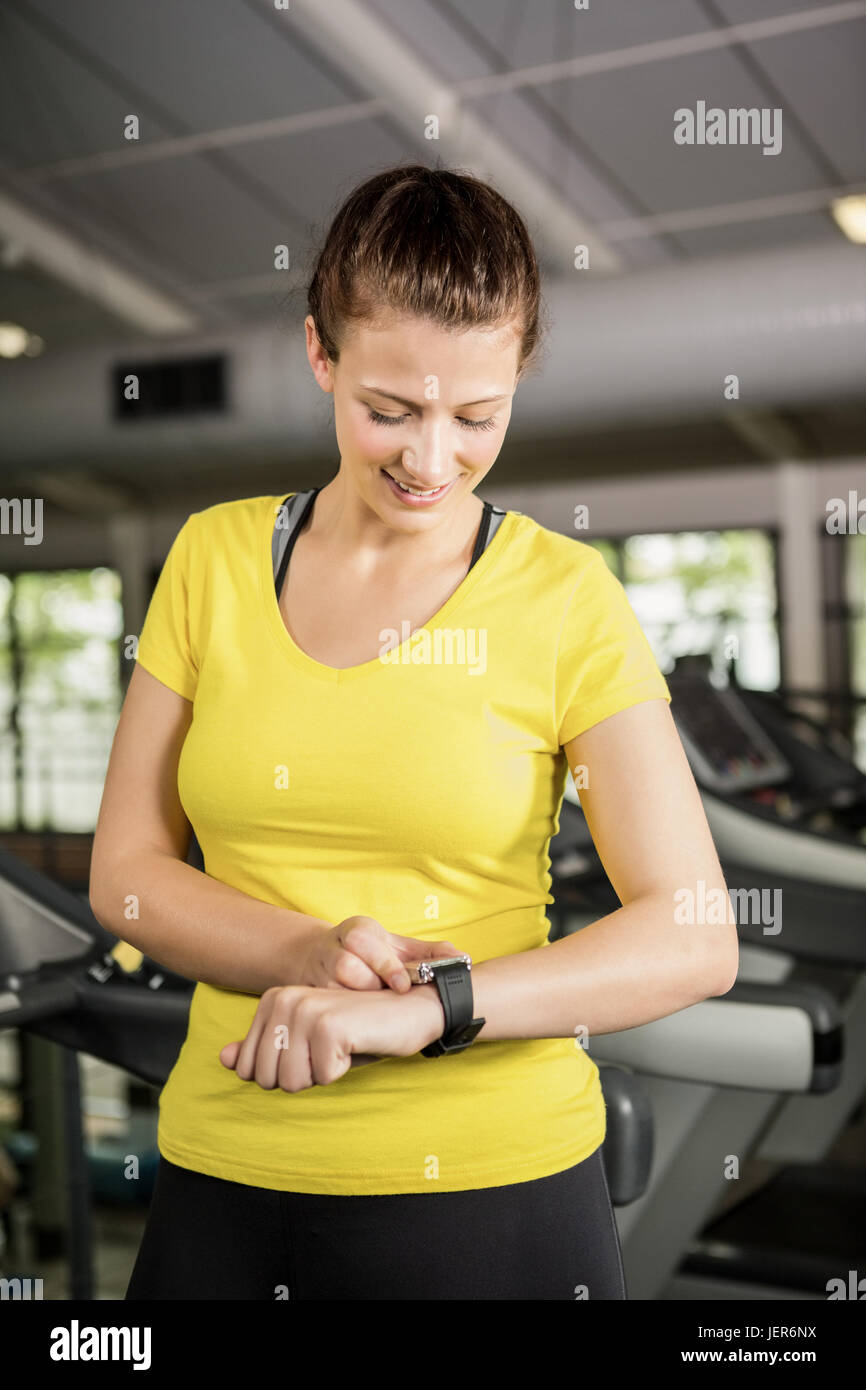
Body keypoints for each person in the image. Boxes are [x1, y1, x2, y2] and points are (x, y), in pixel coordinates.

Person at [90, 163, 738, 1301]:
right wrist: (303, 953)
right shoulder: (210, 561)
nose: (428, 459)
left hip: (490, 1189)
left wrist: (426, 1010)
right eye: (386, 410)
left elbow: (691, 933)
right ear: (319, 355)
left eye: (475, 417)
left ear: (515, 383)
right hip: (225, 1169)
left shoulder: (565, 597)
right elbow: (127, 873)